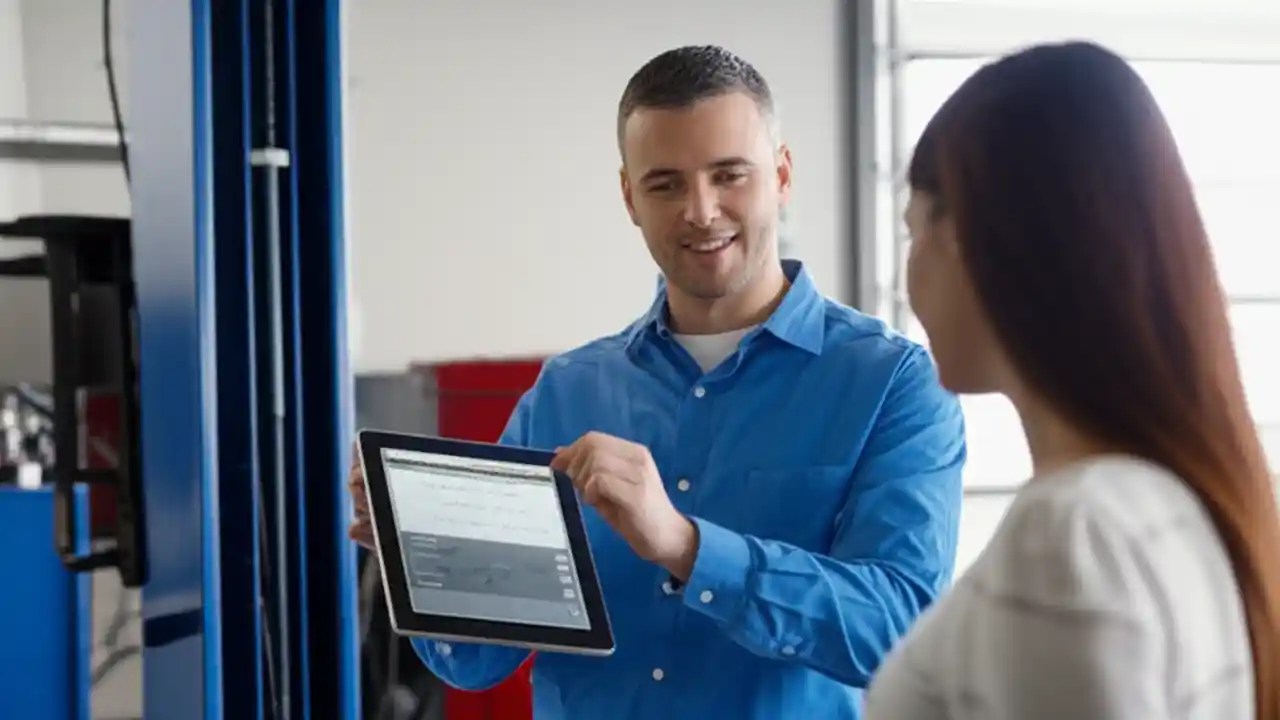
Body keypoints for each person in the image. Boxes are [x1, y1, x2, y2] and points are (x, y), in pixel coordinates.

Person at [348, 45, 966, 719]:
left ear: (782, 175)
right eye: (665, 184)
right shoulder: (564, 391)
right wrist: (428, 562)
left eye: (729, 175)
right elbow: (476, 662)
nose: (700, 211)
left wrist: (686, 546)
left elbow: (902, 633)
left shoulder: (895, 386)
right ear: (628, 197)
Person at [863, 41, 1280, 720]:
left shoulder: (1072, 536)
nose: (911, 284)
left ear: (967, 235)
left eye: (914, 233)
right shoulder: (1169, 503)